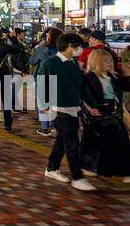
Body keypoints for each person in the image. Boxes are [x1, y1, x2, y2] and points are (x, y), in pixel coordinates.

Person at [41, 32, 98, 192]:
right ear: (69, 47)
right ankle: (77, 177)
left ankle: (52, 168)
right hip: (58, 109)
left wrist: (91, 105)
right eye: (78, 47)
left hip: (74, 108)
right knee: (72, 143)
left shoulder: (72, 64)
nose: (80, 49)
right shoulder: (50, 62)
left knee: (62, 140)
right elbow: (41, 82)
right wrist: (45, 104)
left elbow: (82, 87)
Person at [80, 49, 130, 182]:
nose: (109, 63)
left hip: (113, 113)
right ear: (96, 62)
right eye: (105, 61)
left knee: (122, 142)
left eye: (110, 60)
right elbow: (82, 95)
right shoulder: (89, 78)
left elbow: (127, 83)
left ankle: (128, 173)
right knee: (97, 143)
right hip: (97, 114)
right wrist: (90, 108)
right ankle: (90, 166)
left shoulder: (114, 77)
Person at [27, 27, 62, 136]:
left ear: (50, 38)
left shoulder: (42, 49)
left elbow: (32, 61)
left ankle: (45, 127)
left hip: (42, 78)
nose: (46, 37)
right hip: (57, 78)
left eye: (47, 36)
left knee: (42, 102)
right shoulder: (63, 49)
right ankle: (54, 125)